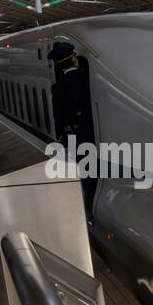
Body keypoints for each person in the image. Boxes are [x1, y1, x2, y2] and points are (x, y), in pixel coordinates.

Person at [49, 41, 96, 214]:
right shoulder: (86, 79)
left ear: (57, 65)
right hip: (94, 134)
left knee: (86, 175)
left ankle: (89, 211)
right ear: (73, 57)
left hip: (76, 139)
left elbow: (59, 119)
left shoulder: (59, 87)